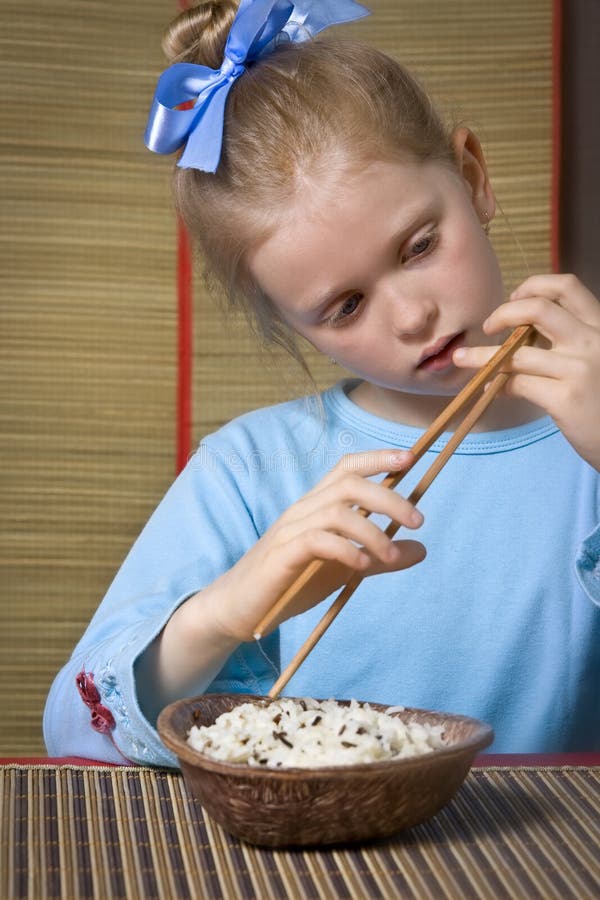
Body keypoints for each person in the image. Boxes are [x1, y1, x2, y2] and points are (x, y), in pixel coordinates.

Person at [44, 0, 600, 765]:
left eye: (418, 246)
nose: (412, 315)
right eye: (344, 306)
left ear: (473, 178)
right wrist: (229, 610)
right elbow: (77, 733)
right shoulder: (255, 470)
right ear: (290, 323)